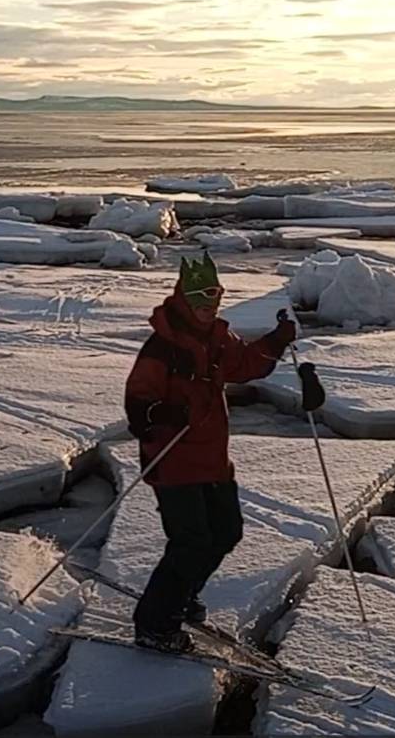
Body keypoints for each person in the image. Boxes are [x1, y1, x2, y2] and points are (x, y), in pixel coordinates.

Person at [123, 253, 297, 653]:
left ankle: (183, 596)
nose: (209, 304)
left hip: (214, 460)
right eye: (201, 296)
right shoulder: (161, 348)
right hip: (172, 459)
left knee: (226, 532)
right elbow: (137, 404)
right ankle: (154, 624)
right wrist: (163, 413)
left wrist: (276, 340)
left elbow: (247, 364)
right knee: (191, 542)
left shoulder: (218, 339)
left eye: (215, 294)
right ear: (183, 297)